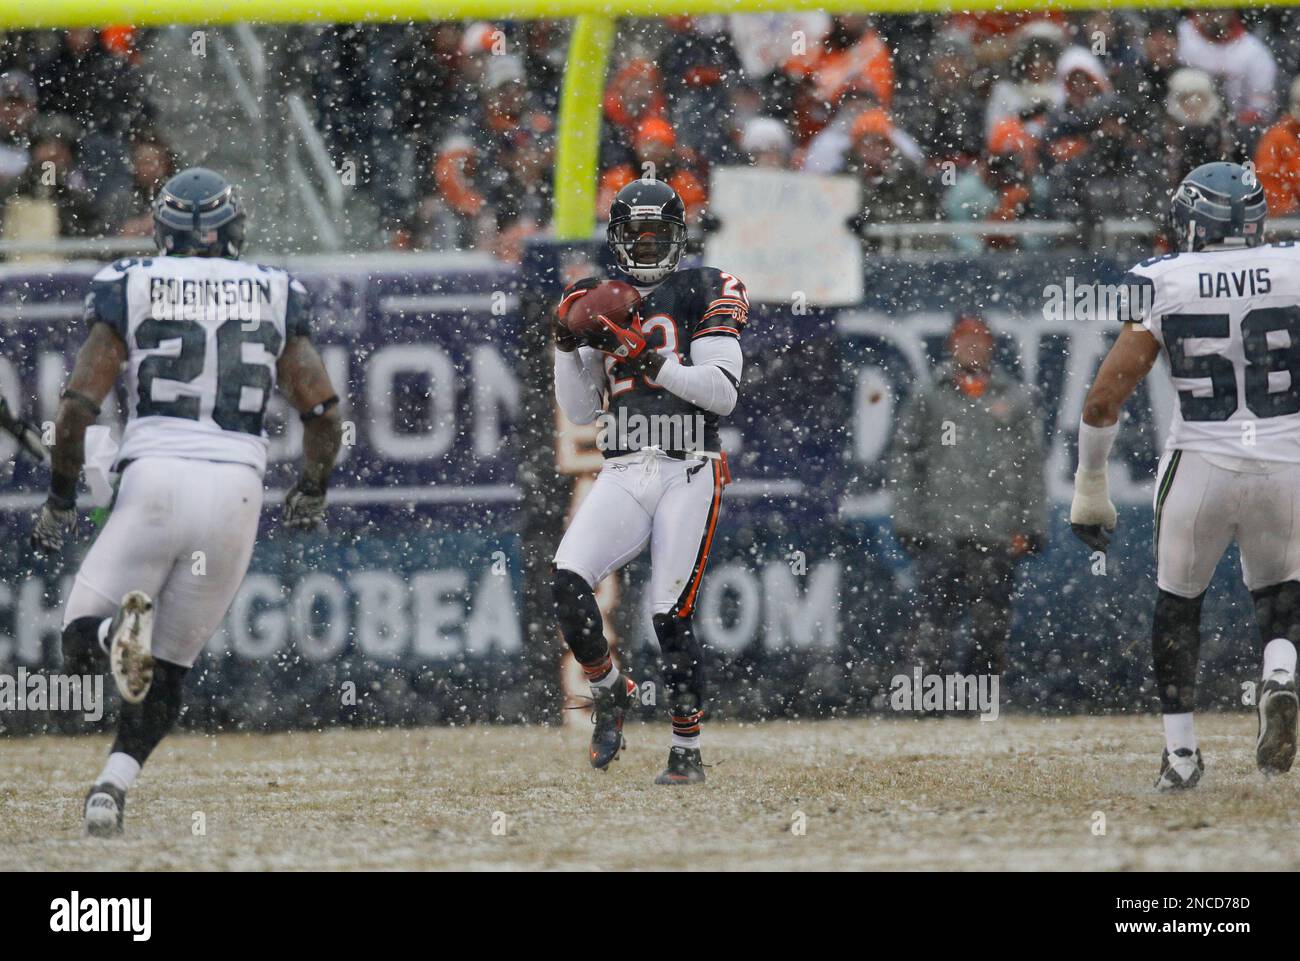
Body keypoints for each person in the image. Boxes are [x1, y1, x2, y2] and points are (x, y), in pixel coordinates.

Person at [30, 168, 343, 834]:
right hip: (236, 490)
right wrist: (312, 488)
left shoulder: (129, 282)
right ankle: (111, 787)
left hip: (154, 480)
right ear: (233, 230)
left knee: (82, 639)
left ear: (163, 229)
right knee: (169, 667)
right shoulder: (274, 289)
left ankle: (118, 635)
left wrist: (62, 495)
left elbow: (79, 406)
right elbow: (322, 412)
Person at [1070, 161, 1299, 790]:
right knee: (1282, 595)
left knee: (1178, 607)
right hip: (1286, 462)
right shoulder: (1292, 266)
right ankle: (1279, 675)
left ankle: (1181, 755)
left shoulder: (1161, 280)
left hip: (1201, 461)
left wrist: (1090, 485)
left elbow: (1102, 401)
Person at [550, 179, 747, 785]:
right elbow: (582, 411)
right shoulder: (595, 295)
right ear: (616, 237)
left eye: (654, 233)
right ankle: (611, 688)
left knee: (669, 613)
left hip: (689, 463)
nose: (644, 244)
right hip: (623, 464)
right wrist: (565, 342)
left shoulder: (708, 286)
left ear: (677, 236)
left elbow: (723, 392)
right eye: (633, 233)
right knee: (567, 581)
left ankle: (686, 749)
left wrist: (654, 361)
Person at [889, 314, 1047, 681]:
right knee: (934, 625)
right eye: (965, 338)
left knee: (989, 627)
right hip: (940, 531)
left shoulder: (1013, 398)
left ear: (991, 345)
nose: (972, 346)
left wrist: (1032, 526)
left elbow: (1031, 467)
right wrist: (908, 521)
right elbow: (904, 461)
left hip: (996, 534)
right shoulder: (930, 396)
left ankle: (977, 702)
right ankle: (929, 701)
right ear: (951, 345)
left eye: (979, 338)